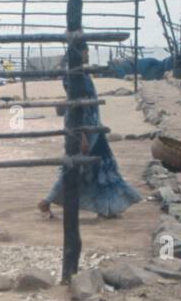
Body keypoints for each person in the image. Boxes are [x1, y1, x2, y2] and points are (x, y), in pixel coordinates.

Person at [37, 58, 141, 219]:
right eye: (84, 50)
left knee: (102, 168)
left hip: (94, 129)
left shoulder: (82, 76)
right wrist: (82, 137)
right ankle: (46, 201)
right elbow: (76, 108)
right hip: (83, 130)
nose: (86, 54)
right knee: (75, 169)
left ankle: (106, 208)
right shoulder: (73, 78)